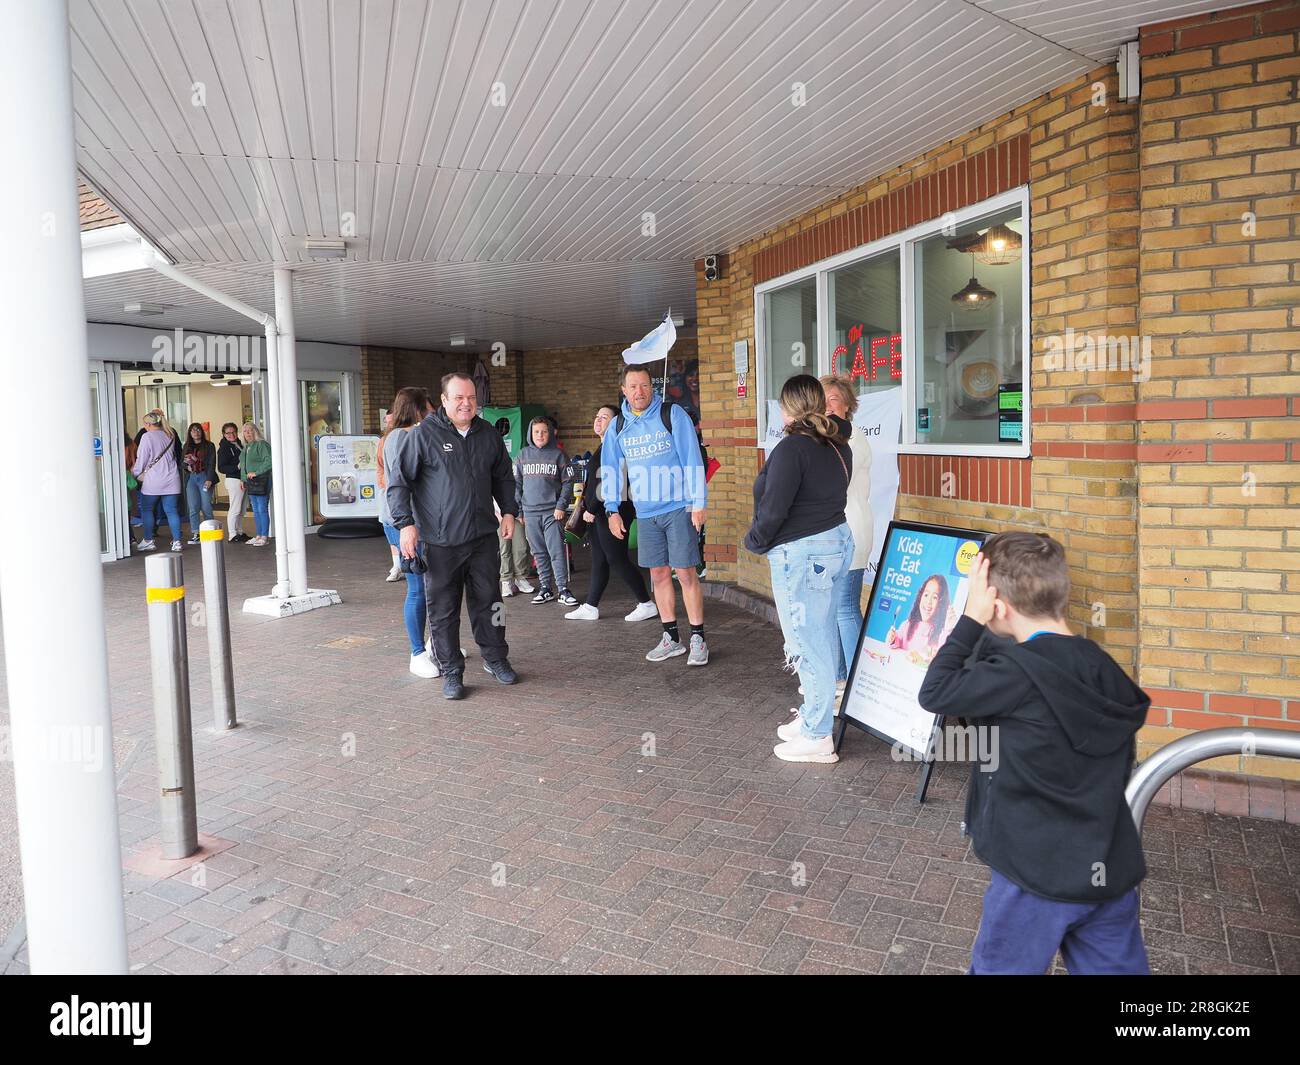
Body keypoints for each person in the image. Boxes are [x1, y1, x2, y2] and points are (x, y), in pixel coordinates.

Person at [918, 532, 1151, 975]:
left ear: (997, 605)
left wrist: (969, 619)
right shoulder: (1101, 664)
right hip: (1107, 867)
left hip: (1034, 876)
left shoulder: (1015, 675)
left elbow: (936, 691)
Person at [388, 371, 519, 700]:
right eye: (459, 397)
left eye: (471, 397)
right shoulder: (422, 435)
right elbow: (399, 483)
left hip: (483, 538)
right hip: (441, 541)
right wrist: (405, 524)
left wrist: (508, 511)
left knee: (491, 604)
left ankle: (496, 658)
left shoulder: (487, 434)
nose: (466, 403)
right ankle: (452, 671)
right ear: (443, 401)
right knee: (444, 610)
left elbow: (504, 476)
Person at [745, 375, 854, 764]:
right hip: (834, 544)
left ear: (788, 407)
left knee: (808, 644)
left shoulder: (794, 448)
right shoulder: (836, 443)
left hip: (804, 553)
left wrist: (755, 540)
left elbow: (775, 507)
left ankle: (817, 734)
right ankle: (814, 716)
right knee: (820, 637)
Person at [600, 364, 709, 665]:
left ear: (653, 386)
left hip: (678, 507)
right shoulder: (618, 426)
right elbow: (611, 471)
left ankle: (698, 637)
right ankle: (671, 638)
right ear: (623, 390)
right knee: (658, 575)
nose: (640, 392)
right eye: (633, 386)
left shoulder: (672, 415)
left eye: (645, 385)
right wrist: (612, 510)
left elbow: (692, 459)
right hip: (646, 513)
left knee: (685, 572)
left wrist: (698, 503)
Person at [564, 404, 656, 623]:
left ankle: (646, 603)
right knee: (599, 560)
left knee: (617, 559)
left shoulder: (616, 446)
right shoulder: (603, 446)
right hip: (600, 512)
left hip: (613, 511)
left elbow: (610, 482)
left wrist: (591, 509)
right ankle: (591, 606)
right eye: (597, 416)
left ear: (616, 422)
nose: (598, 420)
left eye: (604, 417)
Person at [378, 388, 439, 679]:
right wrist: (407, 525)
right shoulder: (406, 437)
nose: (433, 413)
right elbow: (402, 483)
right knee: (418, 587)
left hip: (406, 522)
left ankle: (432, 643)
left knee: (428, 586)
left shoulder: (395, 436)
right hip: (406, 524)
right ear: (416, 410)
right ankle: (417, 652)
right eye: (428, 408)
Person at [820, 375, 872, 687]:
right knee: (833, 611)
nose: (827, 405)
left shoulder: (852, 438)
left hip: (851, 528)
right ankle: (839, 682)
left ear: (848, 405)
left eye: (834, 399)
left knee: (845, 609)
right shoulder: (827, 438)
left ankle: (859, 685)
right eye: (822, 399)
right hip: (835, 530)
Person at [514, 416, 577, 606]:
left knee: (556, 551)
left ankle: (563, 589)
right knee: (539, 553)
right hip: (530, 513)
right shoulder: (522, 456)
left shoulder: (559, 455)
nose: (540, 435)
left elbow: (568, 483)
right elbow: (516, 485)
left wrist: (561, 506)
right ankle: (545, 589)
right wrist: (519, 512)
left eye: (544, 431)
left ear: (550, 433)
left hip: (552, 512)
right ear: (530, 434)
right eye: (536, 432)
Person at [131, 411, 184, 552]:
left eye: (145, 424)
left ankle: (148, 540)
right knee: (172, 511)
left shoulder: (147, 437)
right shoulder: (170, 434)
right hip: (172, 479)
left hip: (153, 480)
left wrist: (135, 473)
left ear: (148, 424)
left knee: (147, 509)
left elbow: (142, 458)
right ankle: (177, 542)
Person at [887, 573, 957, 663]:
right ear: (920, 597)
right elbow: (896, 643)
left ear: (941, 603)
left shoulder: (942, 633)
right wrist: (892, 639)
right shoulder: (907, 625)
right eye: (926, 595)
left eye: (935, 597)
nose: (928, 602)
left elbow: (943, 657)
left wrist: (948, 629)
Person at [182, 422, 217, 544]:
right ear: (190, 433)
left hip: (204, 476)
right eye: (193, 430)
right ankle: (196, 533)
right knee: (193, 507)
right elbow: (182, 463)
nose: (195, 432)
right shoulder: (187, 446)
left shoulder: (209, 445)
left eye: (198, 430)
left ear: (201, 431)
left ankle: (210, 532)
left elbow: (212, 464)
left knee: (206, 506)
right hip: (191, 478)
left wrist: (209, 479)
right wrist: (188, 467)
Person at [238, 422, 272, 546]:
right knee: (256, 510)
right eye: (245, 431)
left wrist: (257, 472)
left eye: (250, 430)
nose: (247, 433)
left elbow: (269, 461)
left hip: (262, 480)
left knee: (262, 508)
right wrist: (243, 479)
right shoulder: (246, 447)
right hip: (251, 482)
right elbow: (243, 466)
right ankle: (258, 535)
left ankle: (264, 536)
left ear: (256, 431)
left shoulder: (262, 445)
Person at [497, 496, 535, 598]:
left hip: (517, 515)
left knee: (521, 547)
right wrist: (495, 514)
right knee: (504, 549)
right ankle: (506, 580)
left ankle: (520, 578)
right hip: (499, 516)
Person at [217, 421, 248, 542]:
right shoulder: (224, 448)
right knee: (235, 508)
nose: (231, 434)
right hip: (234, 480)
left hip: (242, 479)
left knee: (242, 508)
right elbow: (221, 467)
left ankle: (239, 531)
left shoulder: (239, 444)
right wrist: (237, 467)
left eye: (233, 431)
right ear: (224, 434)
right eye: (228, 433)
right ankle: (232, 534)